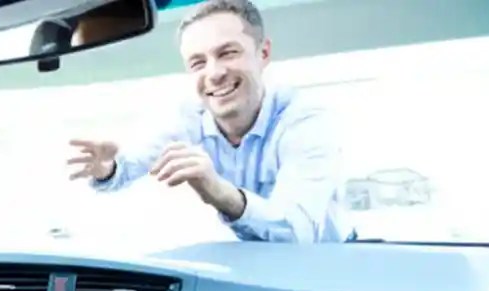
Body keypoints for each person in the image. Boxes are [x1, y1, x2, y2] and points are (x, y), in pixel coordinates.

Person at [66, 0, 355, 244]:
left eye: (228, 53)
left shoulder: (306, 121)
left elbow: (297, 232)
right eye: (198, 63)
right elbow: (127, 167)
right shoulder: (188, 117)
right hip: (257, 268)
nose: (214, 73)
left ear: (263, 53)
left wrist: (218, 192)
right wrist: (107, 169)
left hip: (330, 269)